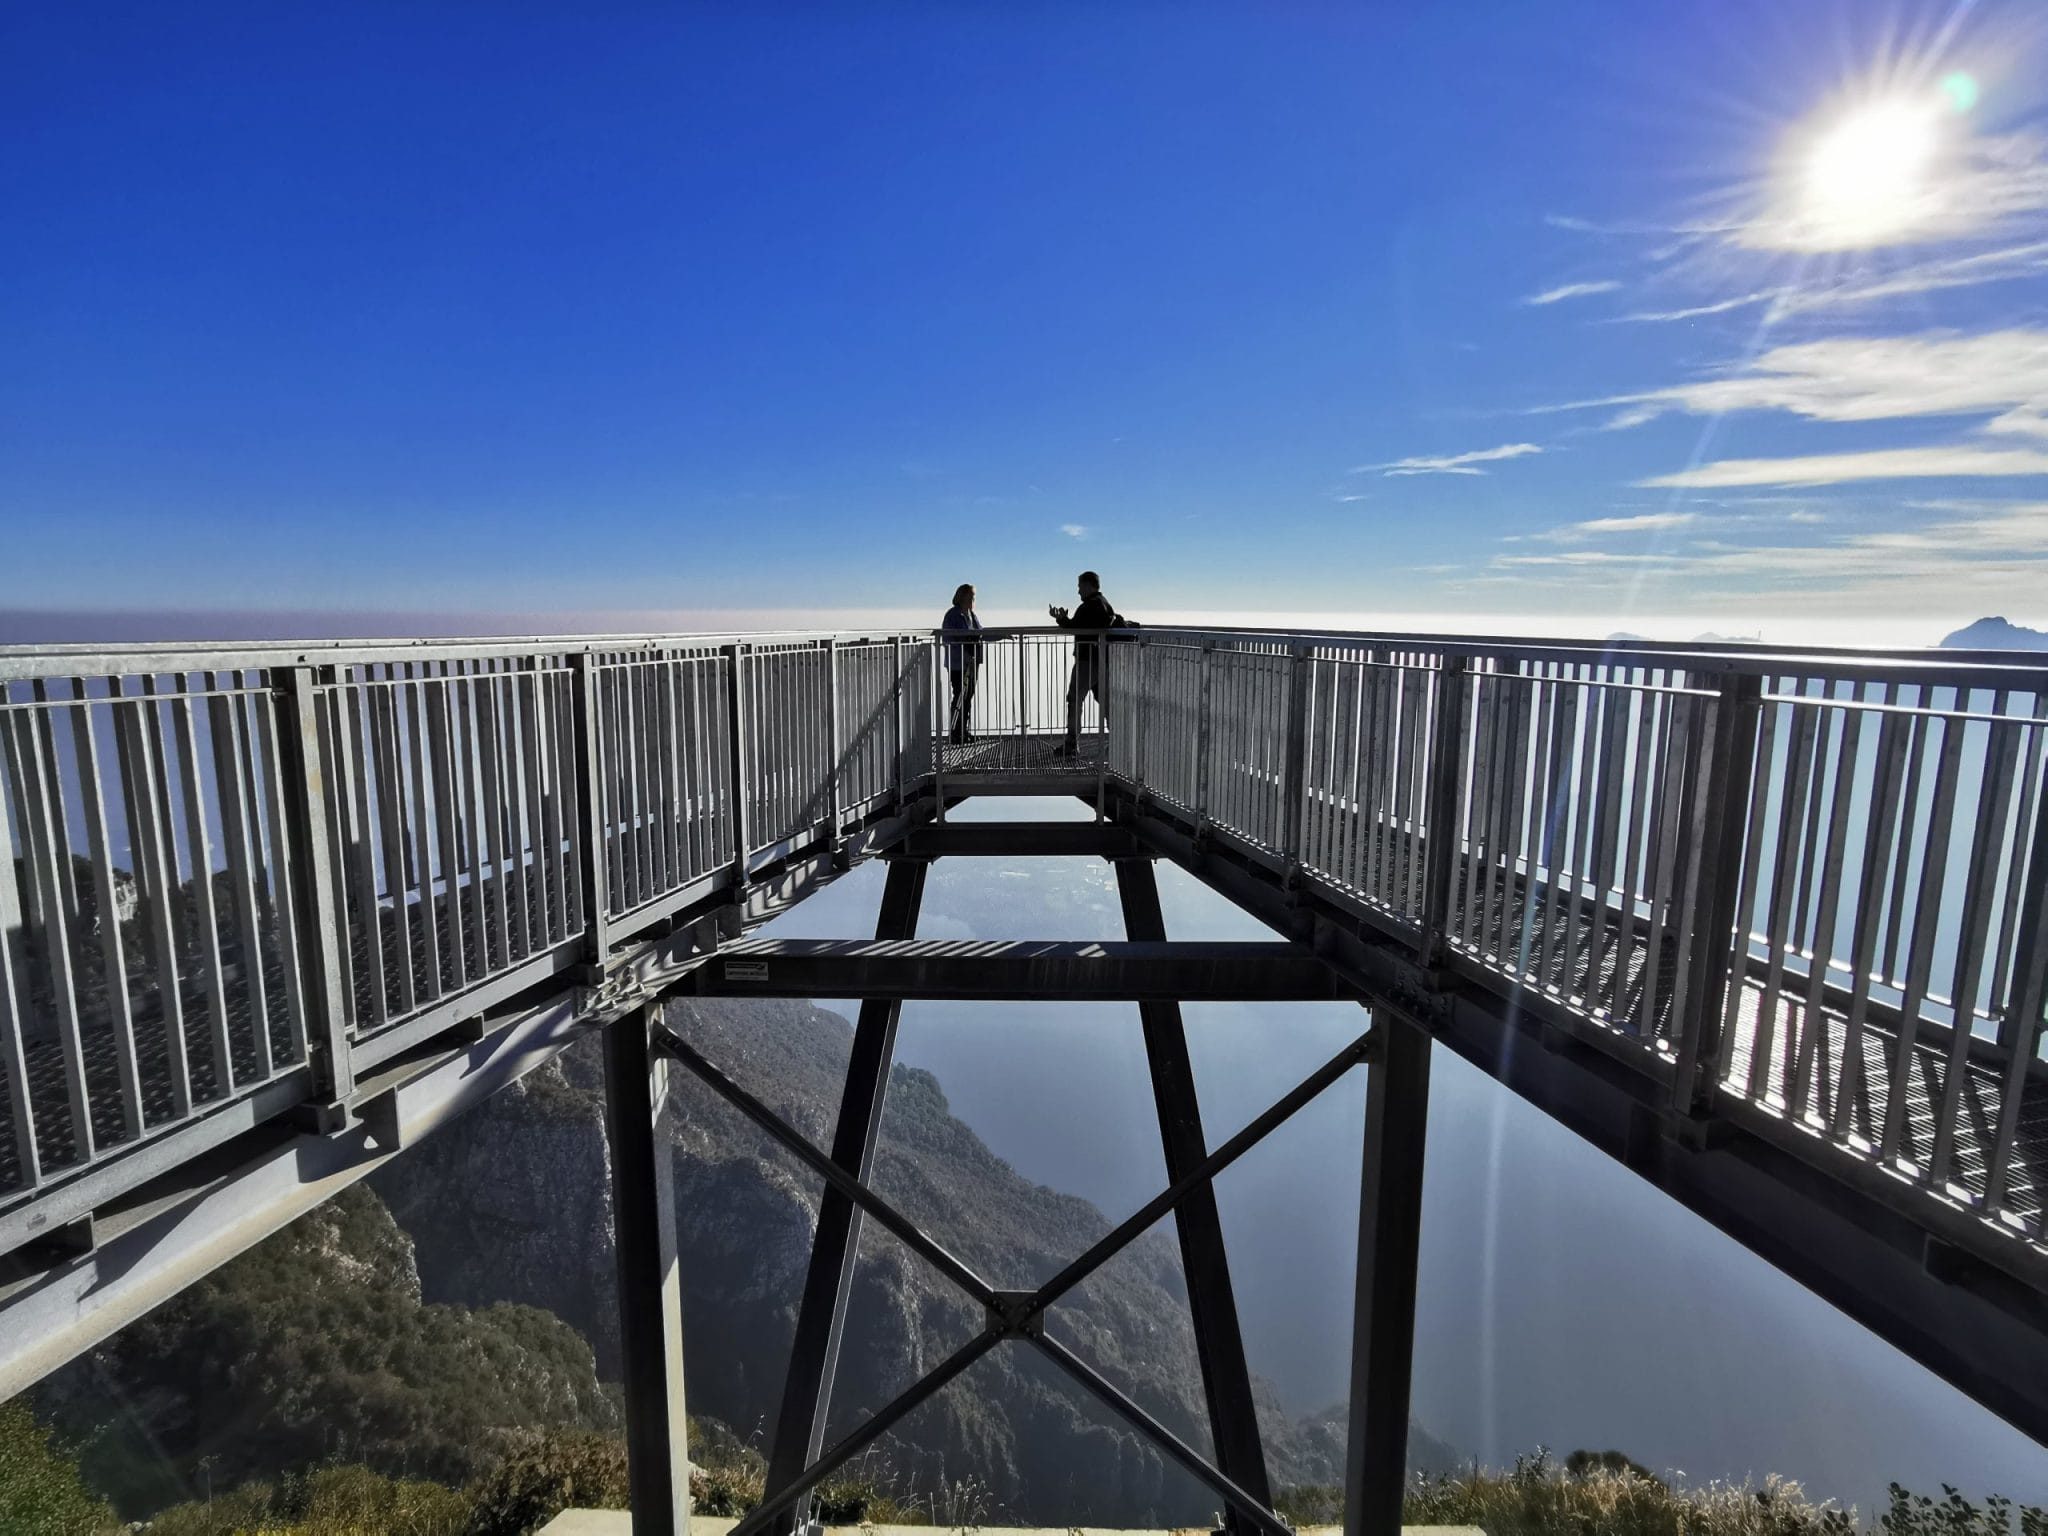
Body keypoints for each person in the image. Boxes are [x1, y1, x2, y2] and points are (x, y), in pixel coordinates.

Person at [1047, 570, 1128, 757]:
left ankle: (1071, 744)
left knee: (1074, 699)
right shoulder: (1104, 604)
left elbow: (1077, 627)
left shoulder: (1089, 606)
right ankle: (1117, 742)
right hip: (1103, 660)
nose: (1078, 591)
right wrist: (1064, 619)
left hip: (1087, 661)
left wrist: (1061, 620)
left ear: (1088, 585)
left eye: (1080, 586)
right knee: (1107, 702)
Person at [941, 583, 983, 744]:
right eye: (971, 595)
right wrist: (963, 649)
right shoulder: (953, 615)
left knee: (967, 697)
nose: (973, 599)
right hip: (958, 663)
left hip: (971, 663)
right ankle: (955, 733)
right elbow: (948, 638)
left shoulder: (971, 615)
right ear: (962, 596)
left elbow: (981, 633)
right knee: (960, 696)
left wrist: (1002, 635)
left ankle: (963, 731)